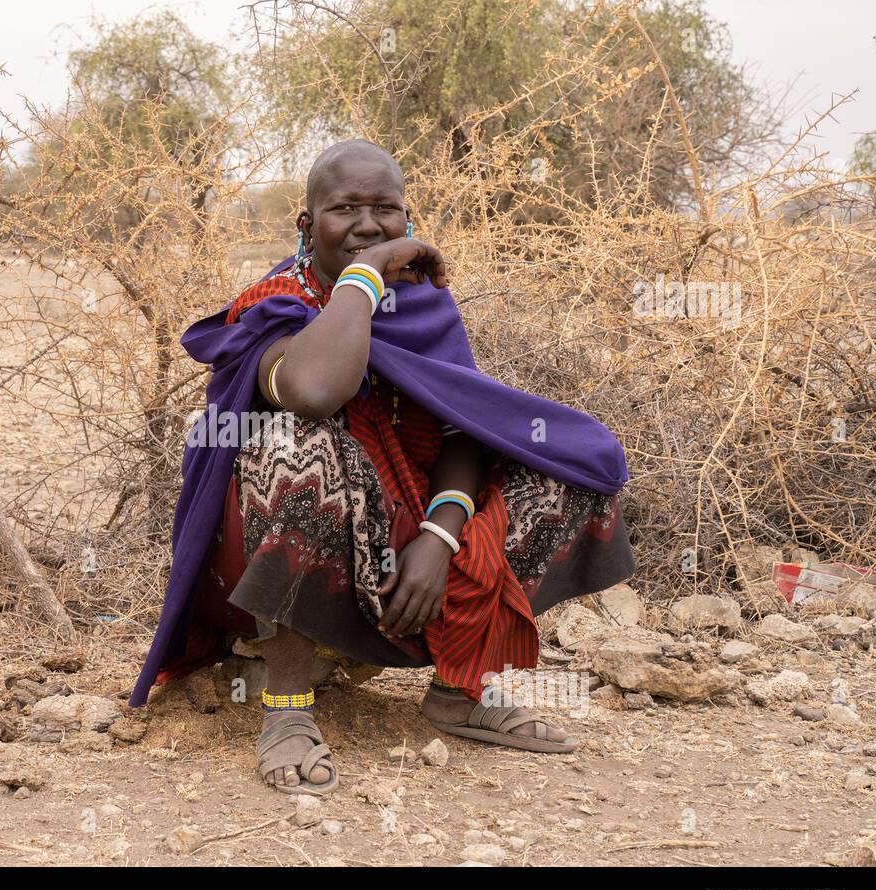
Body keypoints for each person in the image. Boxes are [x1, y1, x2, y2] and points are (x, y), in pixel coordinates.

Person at [129, 140, 636, 795]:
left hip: (407, 538)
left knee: (566, 464)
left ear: (408, 218)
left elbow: (465, 425)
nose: (367, 224)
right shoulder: (276, 302)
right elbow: (313, 390)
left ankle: (459, 689)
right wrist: (367, 274)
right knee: (290, 441)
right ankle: (286, 711)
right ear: (307, 226)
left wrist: (440, 536)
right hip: (292, 549)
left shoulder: (423, 307)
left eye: (384, 211)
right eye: (344, 209)